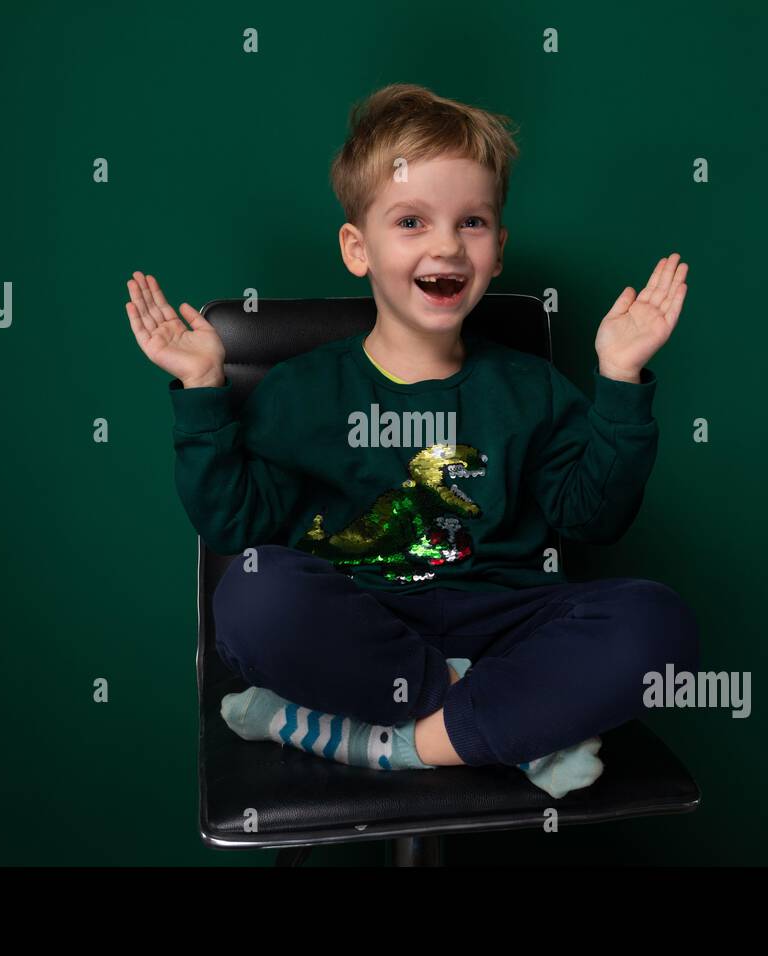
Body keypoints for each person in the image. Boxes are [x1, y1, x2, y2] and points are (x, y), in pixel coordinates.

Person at [125, 83, 698, 798]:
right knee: (251, 593)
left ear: (497, 250)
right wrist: (205, 393)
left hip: (504, 625)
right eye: (412, 221)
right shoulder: (301, 392)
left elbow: (595, 518)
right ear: (357, 249)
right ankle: (495, 722)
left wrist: (619, 379)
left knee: (656, 621)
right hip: (364, 623)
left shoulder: (532, 389)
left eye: (474, 222)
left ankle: (384, 744)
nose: (447, 245)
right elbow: (232, 523)